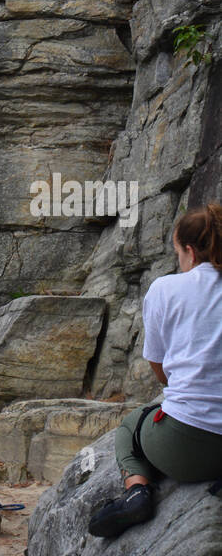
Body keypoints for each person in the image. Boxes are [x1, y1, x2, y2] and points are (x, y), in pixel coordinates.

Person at [89, 203, 222, 538]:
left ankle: (136, 492)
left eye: (178, 252)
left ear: (190, 251)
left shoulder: (165, 289)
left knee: (131, 426)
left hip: (182, 448)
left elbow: (158, 366)